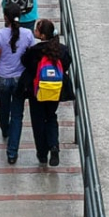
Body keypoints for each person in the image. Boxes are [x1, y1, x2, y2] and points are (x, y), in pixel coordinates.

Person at [18, 20, 74, 167]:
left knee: (38, 121)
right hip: (55, 90)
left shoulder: (35, 50)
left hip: (37, 92)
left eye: (36, 29)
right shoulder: (62, 49)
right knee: (51, 117)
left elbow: (25, 63)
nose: (34, 31)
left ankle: (42, 154)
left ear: (42, 35)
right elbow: (67, 63)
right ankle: (54, 146)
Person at [0, 13, 38, 163]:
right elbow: (34, 56)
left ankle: (5, 130)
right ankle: (12, 152)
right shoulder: (27, 34)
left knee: (3, 106)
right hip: (20, 80)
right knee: (17, 115)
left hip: (2, 78)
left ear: (5, 18)